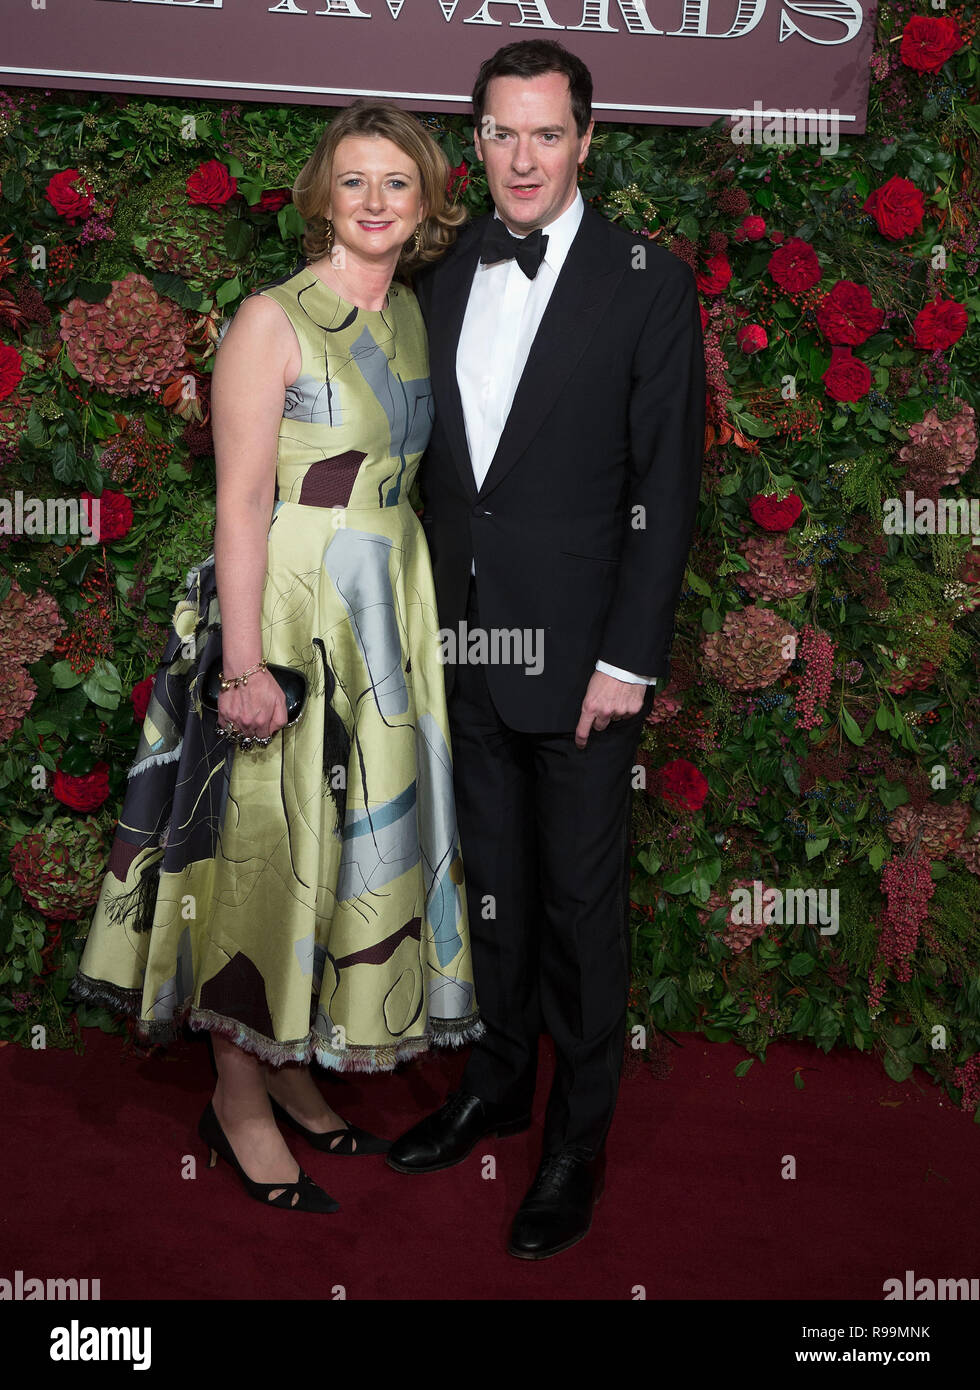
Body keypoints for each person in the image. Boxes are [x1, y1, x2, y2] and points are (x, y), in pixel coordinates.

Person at [72, 100, 481, 1214]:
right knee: (262, 843)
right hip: (290, 611)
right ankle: (237, 1095)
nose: (375, 202)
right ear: (320, 196)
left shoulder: (405, 315)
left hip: (383, 609)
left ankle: (292, 1061)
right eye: (354, 181)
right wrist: (243, 667)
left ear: (432, 200)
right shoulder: (270, 319)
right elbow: (241, 500)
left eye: (398, 182)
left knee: (348, 847)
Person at [386, 40, 705, 1259]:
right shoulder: (445, 263)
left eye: (546, 133)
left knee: (578, 905)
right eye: (501, 134)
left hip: (580, 659)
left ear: (586, 140)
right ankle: (495, 1083)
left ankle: (576, 1135)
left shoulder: (645, 281)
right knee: (493, 882)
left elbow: (664, 487)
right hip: (459, 639)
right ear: (476, 142)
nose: (523, 158)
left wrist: (627, 657)